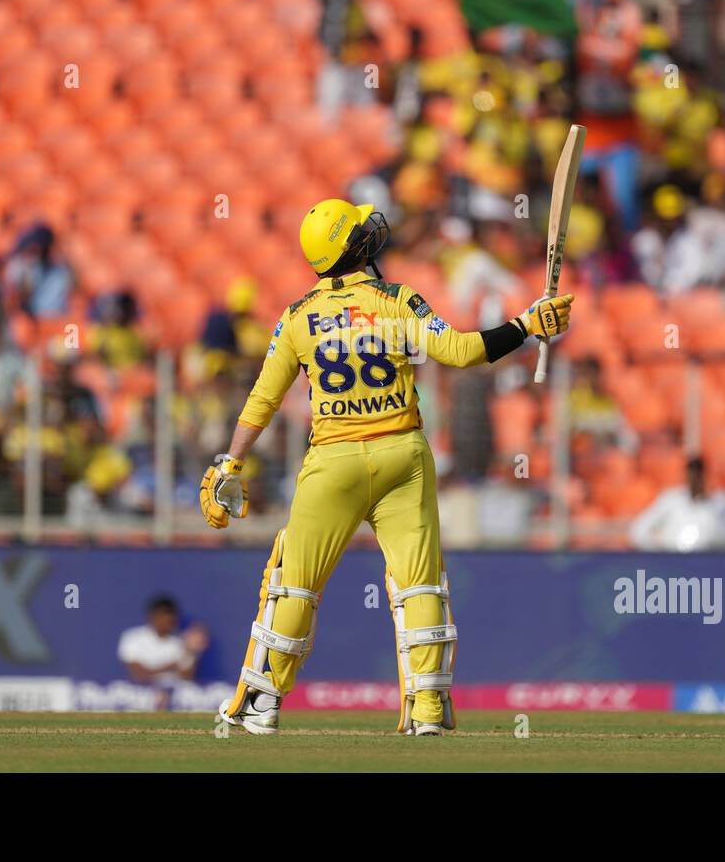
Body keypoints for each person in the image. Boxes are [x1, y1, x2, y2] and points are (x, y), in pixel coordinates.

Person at [202, 198, 574, 736]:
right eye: (360, 229)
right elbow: (462, 352)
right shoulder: (398, 300)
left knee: (294, 585)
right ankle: (428, 711)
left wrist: (230, 461)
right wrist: (525, 325)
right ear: (352, 246)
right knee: (419, 585)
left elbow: (263, 399)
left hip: (333, 463)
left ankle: (262, 703)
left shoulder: (297, 316)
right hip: (402, 454)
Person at [628, 457, 725, 551]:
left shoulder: (720, 503)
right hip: (671, 560)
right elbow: (639, 530)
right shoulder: (671, 499)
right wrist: (659, 547)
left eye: (699, 475)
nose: (695, 480)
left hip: (706, 562)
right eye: (692, 475)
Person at [117, 597, 210, 699]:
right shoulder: (133, 637)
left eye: (171, 617)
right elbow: (138, 674)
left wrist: (191, 652)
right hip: (140, 696)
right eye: (164, 616)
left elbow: (187, 677)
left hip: (173, 697)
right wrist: (172, 666)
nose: (169, 621)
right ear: (153, 616)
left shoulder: (180, 642)